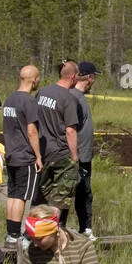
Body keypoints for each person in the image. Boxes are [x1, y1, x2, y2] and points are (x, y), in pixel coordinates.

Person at [36, 61, 83, 227]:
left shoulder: (42, 92)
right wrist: (75, 157)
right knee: (59, 201)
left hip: (42, 152)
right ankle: (50, 232)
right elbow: (70, 131)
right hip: (61, 154)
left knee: (42, 198)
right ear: (73, 77)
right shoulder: (69, 98)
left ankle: (33, 232)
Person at [1, 64, 42, 250]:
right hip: (25, 156)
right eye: (38, 77)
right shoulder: (29, 101)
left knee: (12, 194)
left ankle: (11, 233)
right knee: (21, 197)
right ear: (33, 79)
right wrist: (38, 155)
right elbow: (32, 131)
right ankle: (16, 235)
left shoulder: (10, 99)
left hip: (11, 153)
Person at [71, 61, 99, 240]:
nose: (94, 81)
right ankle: (61, 228)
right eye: (94, 77)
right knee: (72, 192)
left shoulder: (78, 96)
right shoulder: (73, 97)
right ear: (89, 78)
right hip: (76, 156)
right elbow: (69, 128)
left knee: (85, 192)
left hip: (84, 155)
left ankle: (85, 228)